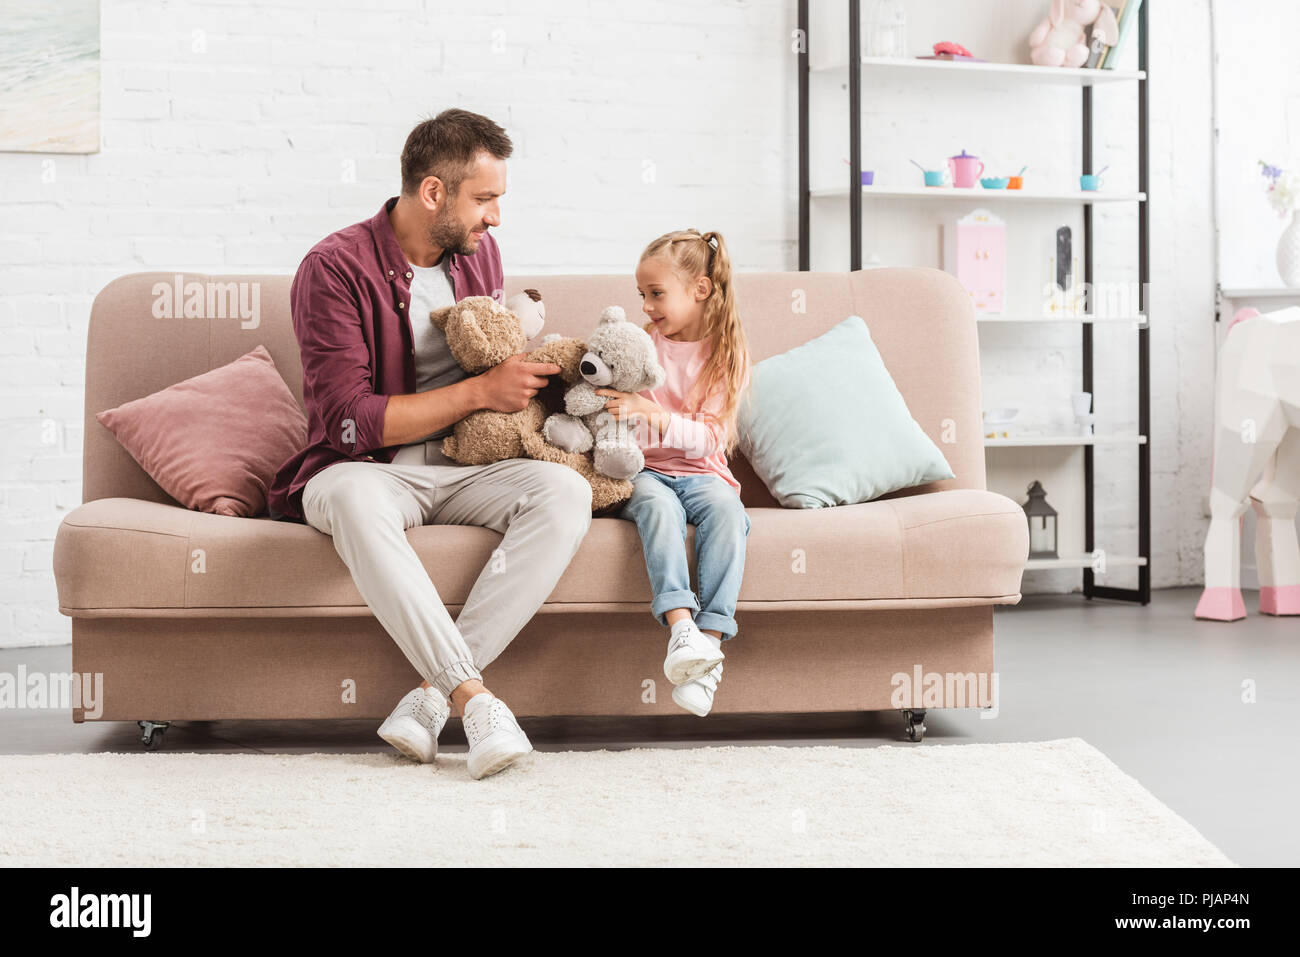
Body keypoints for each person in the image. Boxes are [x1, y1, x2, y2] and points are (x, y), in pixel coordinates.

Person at [268, 109, 593, 779]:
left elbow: (494, 354)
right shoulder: (334, 268)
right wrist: (480, 393)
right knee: (353, 498)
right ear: (434, 192)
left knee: (565, 490)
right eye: (485, 198)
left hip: (468, 464)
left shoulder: (479, 254)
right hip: (367, 468)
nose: (496, 217)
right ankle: (474, 698)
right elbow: (347, 421)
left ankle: (427, 699)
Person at [599, 228, 752, 716]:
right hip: (647, 470)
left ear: (700, 290)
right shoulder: (642, 346)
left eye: (657, 294)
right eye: (641, 295)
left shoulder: (724, 354)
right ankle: (681, 626)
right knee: (655, 507)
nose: (647, 306)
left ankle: (708, 649)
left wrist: (654, 415)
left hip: (705, 473)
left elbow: (711, 439)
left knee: (729, 514)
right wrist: (626, 412)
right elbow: (619, 417)